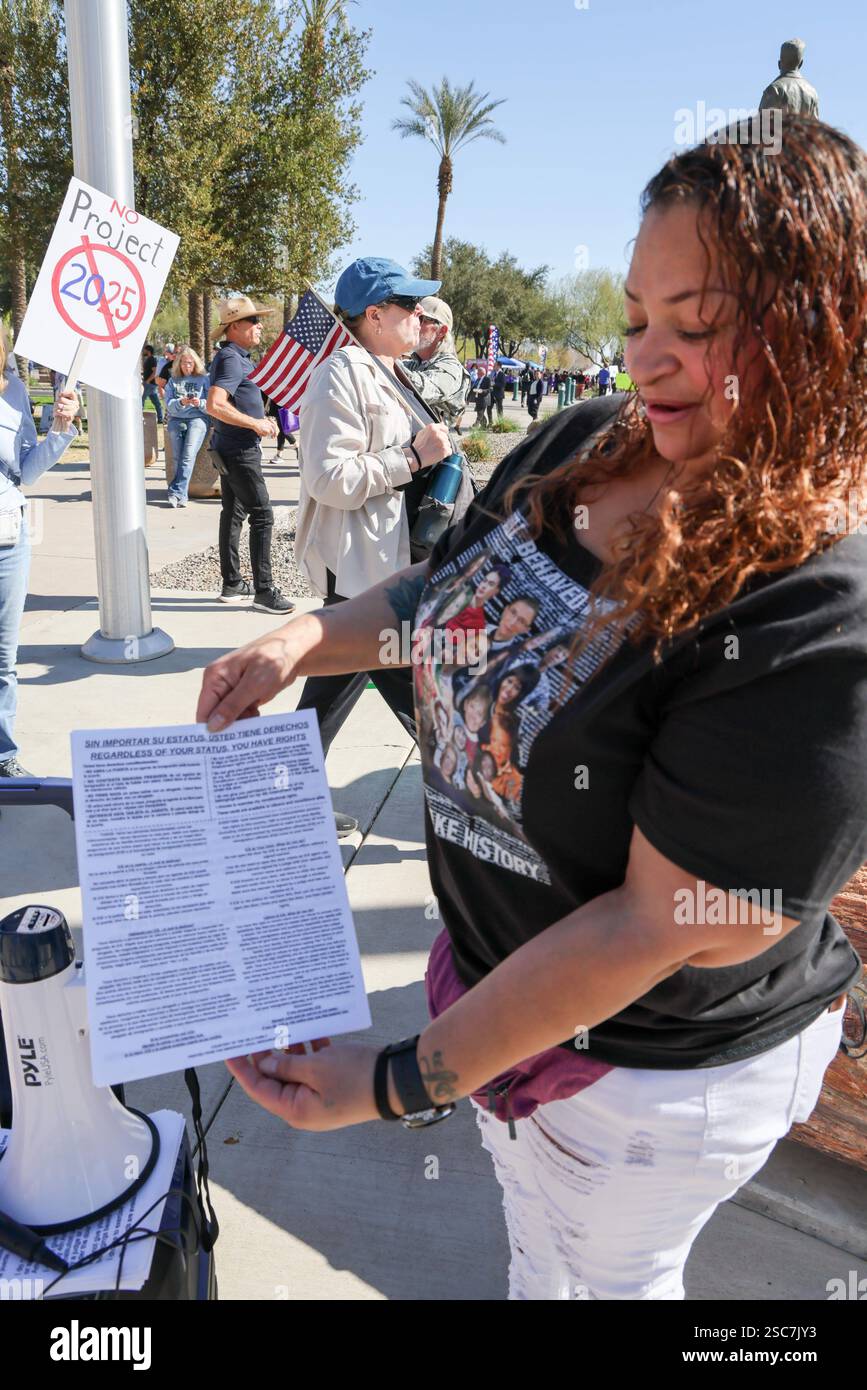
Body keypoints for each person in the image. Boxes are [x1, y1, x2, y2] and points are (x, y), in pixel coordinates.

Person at [195, 115, 866, 1303]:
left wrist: (404, 1078)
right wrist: (310, 638)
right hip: (502, 1010)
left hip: (643, 1073)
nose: (647, 359)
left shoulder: (818, 601)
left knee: (603, 1280)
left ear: (823, 333)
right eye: (635, 319)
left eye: (697, 325)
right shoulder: (587, 442)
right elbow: (443, 592)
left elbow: (656, 924)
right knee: (539, 1266)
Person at [292, 256, 451, 836]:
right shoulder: (341, 373)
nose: (422, 315)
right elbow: (327, 478)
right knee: (420, 698)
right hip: (364, 572)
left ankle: (282, 798)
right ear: (376, 315)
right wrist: (412, 458)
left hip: (386, 567)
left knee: (331, 688)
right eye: (410, 306)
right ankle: (480, 803)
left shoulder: (391, 372)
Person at [0, 336, 79, 779]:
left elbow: (25, 469)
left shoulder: (13, 389)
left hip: (8, 537)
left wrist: (61, 430)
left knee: (3, 662)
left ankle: (2, 758)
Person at [206, 296, 294, 616]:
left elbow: (235, 404)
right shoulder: (231, 358)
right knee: (263, 515)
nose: (259, 326)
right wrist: (255, 423)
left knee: (234, 513)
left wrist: (261, 420)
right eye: (253, 321)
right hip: (240, 451)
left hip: (232, 448)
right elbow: (215, 404)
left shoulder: (236, 357)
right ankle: (264, 591)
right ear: (235, 326)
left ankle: (232, 584)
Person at [399, 297, 470, 429]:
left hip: (432, 448)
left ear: (441, 331)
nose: (415, 323)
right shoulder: (415, 364)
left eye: (422, 319)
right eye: (414, 317)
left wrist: (386, 359)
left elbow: (419, 389)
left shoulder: (451, 368)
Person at [164, 345, 210, 508]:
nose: (187, 366)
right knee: (177, 458)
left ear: (195, 363)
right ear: (178, 363)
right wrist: (181, 402)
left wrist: (200, 403)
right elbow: (169, 405)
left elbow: (211, 404)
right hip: (176, 419)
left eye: (190, 363)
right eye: (183, 362)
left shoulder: (204, 379)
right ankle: (181, 496)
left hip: (198, 419)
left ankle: (175, 492)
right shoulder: (173, 381)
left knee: (188, 456)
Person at [759, 37, 819, 118]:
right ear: (801, 64)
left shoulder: (774, 89)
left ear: (779, 63)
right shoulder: (812, 92)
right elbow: (815, 127)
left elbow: (764, 126)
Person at [141, 343, 163, 424]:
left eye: (145, 350)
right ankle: (160, 419)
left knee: (141, 400)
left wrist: (148, 380)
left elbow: (155, 371)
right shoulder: (148, 359)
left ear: (148, 351)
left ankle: (140, 418)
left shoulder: (152, 359)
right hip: (150, 384)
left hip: (149, 385)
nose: (144, 351)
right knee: (156, 402)